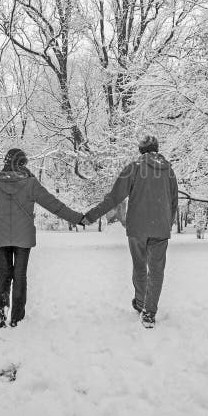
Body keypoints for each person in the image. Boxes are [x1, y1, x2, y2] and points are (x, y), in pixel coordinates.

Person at [0, 149, 83, 331]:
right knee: (19, 276)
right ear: (23, 163)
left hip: (0, 237)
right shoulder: (31, 184)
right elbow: (54, 205)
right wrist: (77, 218)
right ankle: (17, 317)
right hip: (23, 237)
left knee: (4, 273)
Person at [82, 135, 178, 328]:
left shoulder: (134, 168)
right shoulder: (169, 171)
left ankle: (141, 302)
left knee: (140, 266)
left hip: (138, 228)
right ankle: (149, 313)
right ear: (157, 149)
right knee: (157, 270)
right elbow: (174, 200)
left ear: (141, 150)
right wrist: (168, 223)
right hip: (161, 227)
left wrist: (91, 216)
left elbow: (114, 198)